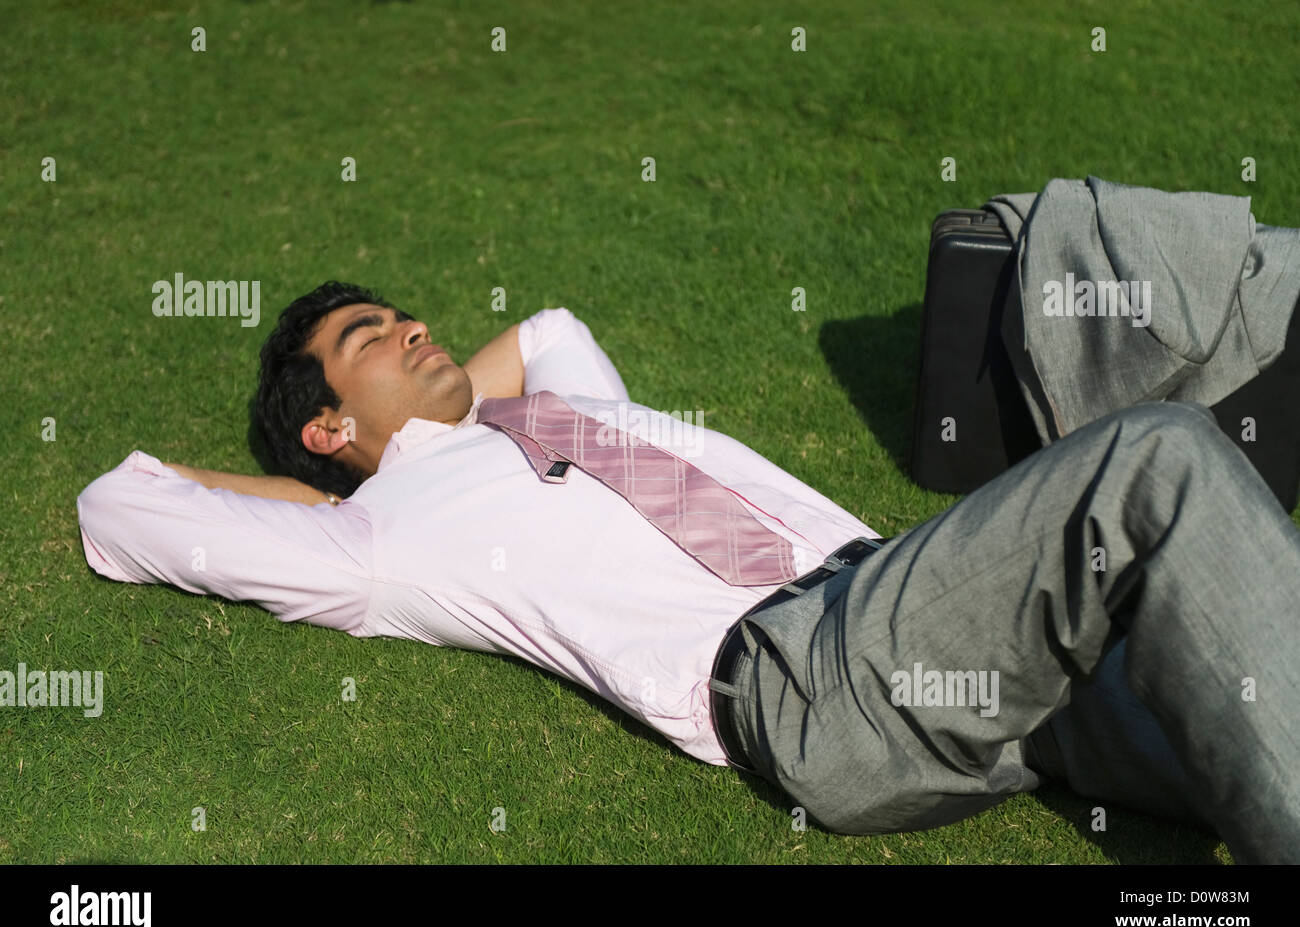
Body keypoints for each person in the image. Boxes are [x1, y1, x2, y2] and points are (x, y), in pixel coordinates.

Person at [76, 282, 1300, 864]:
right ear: (328, 425)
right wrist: (324, 486)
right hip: (822, 671)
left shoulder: (558, 416)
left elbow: (550, 330)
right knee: (1158, 457)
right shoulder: (379, 541)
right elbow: (117, 505)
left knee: (1243, 676)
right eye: (367, 342)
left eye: (398, 312)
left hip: (937, 628)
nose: (407, 327)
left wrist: (445, 417)